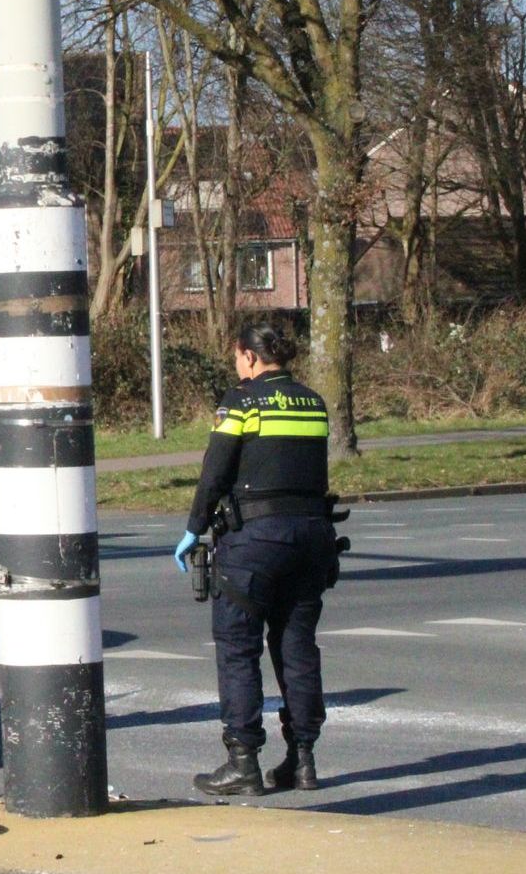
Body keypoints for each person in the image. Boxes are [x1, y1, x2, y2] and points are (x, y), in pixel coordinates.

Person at [174, 321, 338, 795]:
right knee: (297, 647)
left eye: (236, 356)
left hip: (255, 542)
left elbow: (215, 471)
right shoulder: (313, 402)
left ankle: (242, 760)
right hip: (312, 536)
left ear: (248, 356)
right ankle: (303, 759)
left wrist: (193, 528)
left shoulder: (240, 402)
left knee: (238, 646)